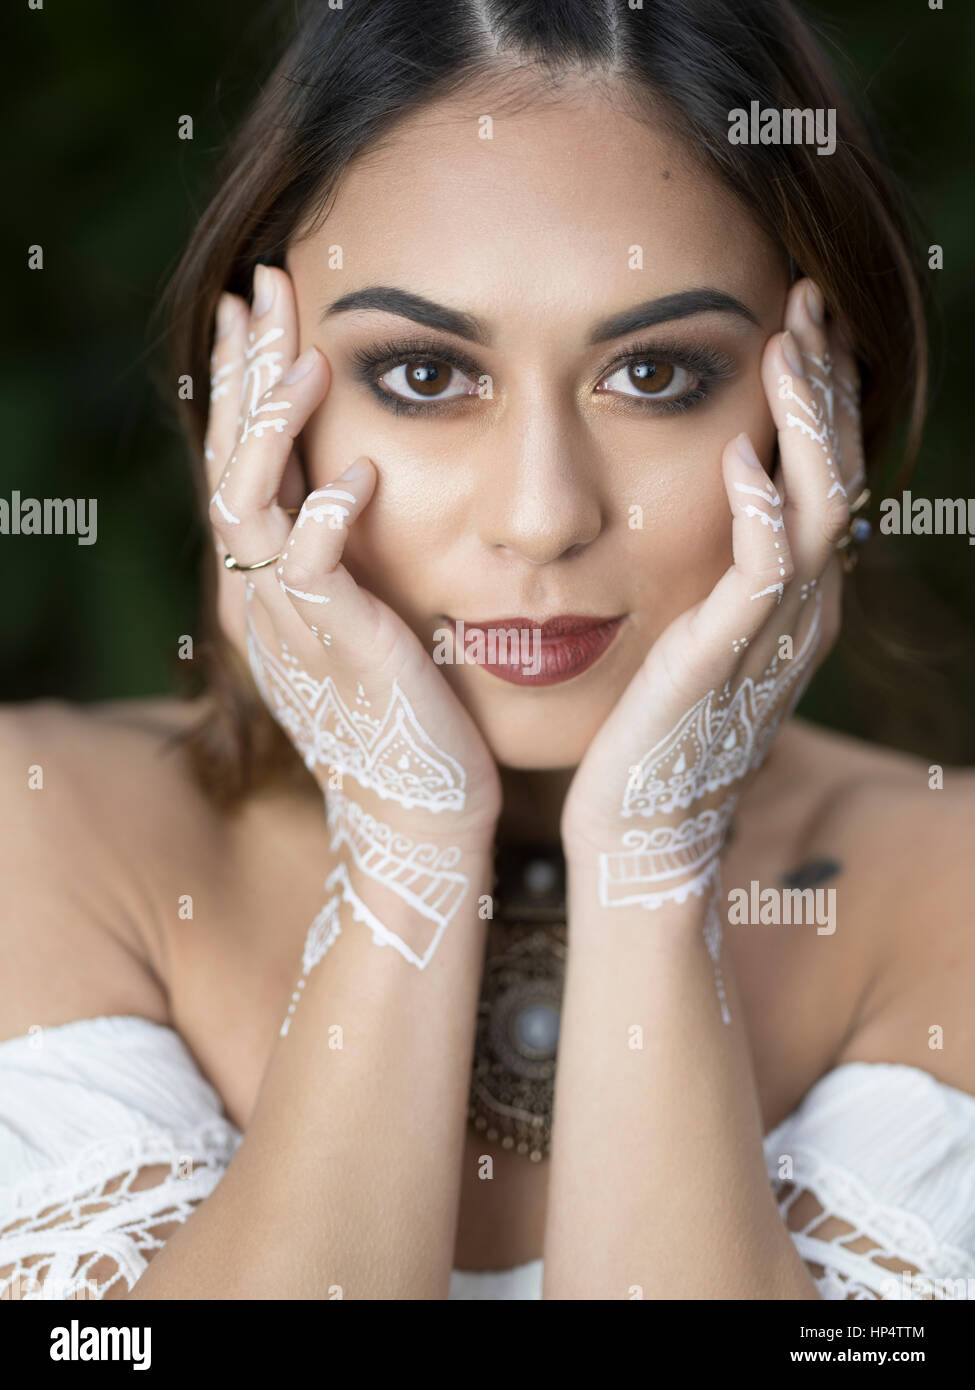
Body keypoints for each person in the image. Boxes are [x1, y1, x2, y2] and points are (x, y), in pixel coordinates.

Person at [2, 0, 973, 1302]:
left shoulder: (949, 894)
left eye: (656, 376)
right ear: (253, 394)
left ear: (824, 404)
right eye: (421, 374)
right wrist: (405, 851)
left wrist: (653, 857)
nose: (542, 514)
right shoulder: (42, 831)